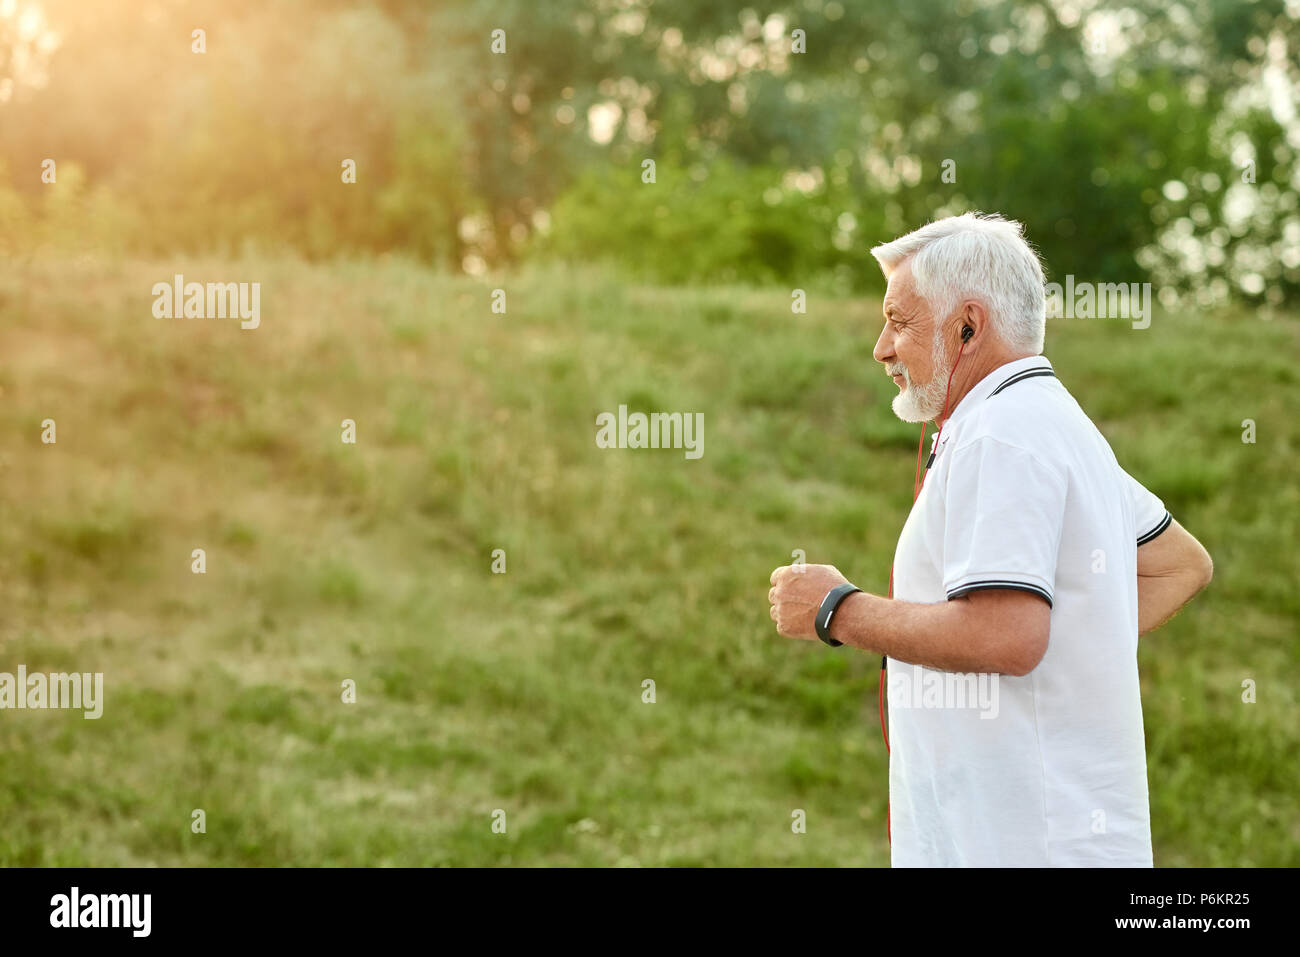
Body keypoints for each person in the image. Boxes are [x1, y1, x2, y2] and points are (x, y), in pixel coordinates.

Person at [767, 212, 1213, 867]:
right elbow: (1179, 564)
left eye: (899, 319)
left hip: (1018, 844)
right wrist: (1068, 655)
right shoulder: (1053, 422)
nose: (881, 348)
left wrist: (836, 608)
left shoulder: (1000, 433)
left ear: (968, 325)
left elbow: (1005, 635)